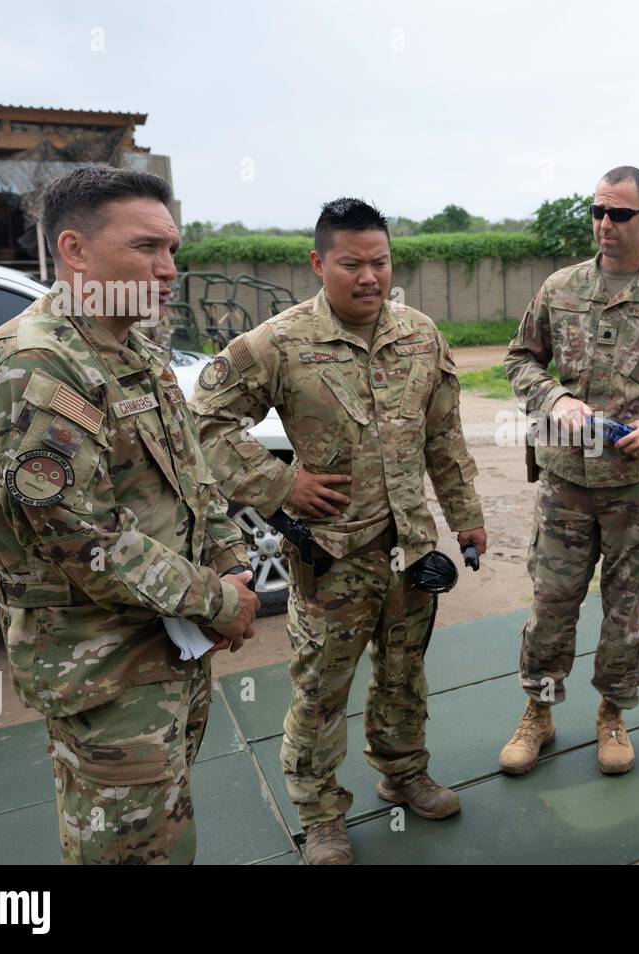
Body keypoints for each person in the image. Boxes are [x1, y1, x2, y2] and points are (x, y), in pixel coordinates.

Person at [0, 165, 259, 864]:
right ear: (75, 250)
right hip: (104, 666)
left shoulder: (133, 349)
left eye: (172, 249)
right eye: (146, 247)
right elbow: (82, 541)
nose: (167, 268)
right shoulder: (36, 368)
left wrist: (231, 565)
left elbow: (190, 479)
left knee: (165, 828)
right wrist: (217, 600)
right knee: (131, 851)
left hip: (169, 645)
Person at [190, 198, 486, 865]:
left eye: (379, 262)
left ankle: (403, 772)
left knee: (404, 675)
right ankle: (320, 811)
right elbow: (204, 420)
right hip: (330, 555)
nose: (369, 276)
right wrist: (279, 485)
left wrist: (465, 516)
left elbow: (443, 436)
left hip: (409, 550)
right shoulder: (279, 342)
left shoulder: (420, 334)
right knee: (322, 691)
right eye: (351, 263)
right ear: (319, 263)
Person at [501, 166, 639, 776]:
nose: (605, 224)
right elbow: (520, 361)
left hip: (637, 491)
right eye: (597, 212)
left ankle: (612, 715)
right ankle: (539, 713)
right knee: (551, 607)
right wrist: (554, 400)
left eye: (619, 214)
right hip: (565, 487)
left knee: (626, 613)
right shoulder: (560, 288)